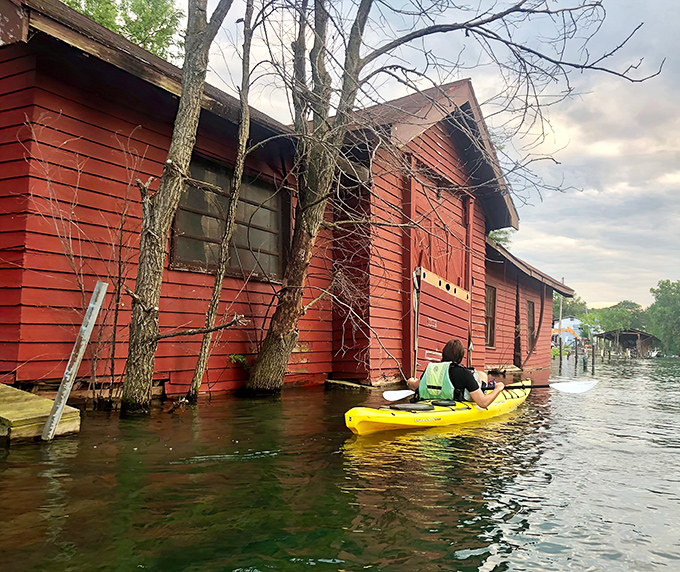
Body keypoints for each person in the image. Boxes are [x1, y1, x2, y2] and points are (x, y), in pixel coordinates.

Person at [407, 339, 506, 408]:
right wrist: (498, 388)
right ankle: (487, 386)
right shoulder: (463, 373)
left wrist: (410, 381)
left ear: (443, 354)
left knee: (480, 374)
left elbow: (415, 385)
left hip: (430, 402)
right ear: (461, 357)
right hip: (455, 401)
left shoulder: (431, 369)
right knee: (482, 375)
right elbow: (483, 403)